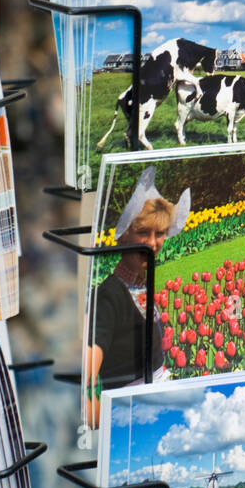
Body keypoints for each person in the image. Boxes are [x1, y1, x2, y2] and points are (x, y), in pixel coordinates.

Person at [85, 166, 189, 428]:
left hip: (158, 398)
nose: (152, 243)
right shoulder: (109, 296)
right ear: (123, 236)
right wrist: (103, 430)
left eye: (160, 233)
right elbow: (86, 377)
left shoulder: (143, 285)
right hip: (132, 412)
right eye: (143, 232)